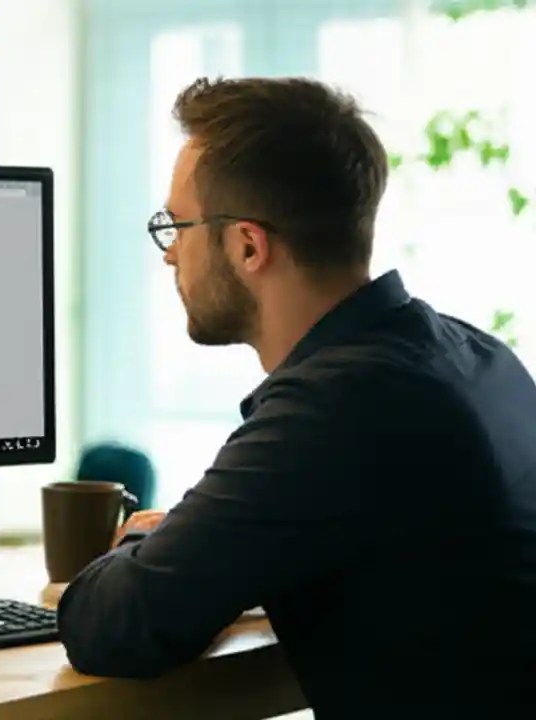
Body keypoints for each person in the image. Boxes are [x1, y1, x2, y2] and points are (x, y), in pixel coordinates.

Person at [56, 76, 536, 716]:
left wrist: (138, 548)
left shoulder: (337, 406)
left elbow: (113, 627)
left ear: (248, 245)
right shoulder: (474, 356)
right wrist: (192, 547)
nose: (170, 255)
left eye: (177, 225)